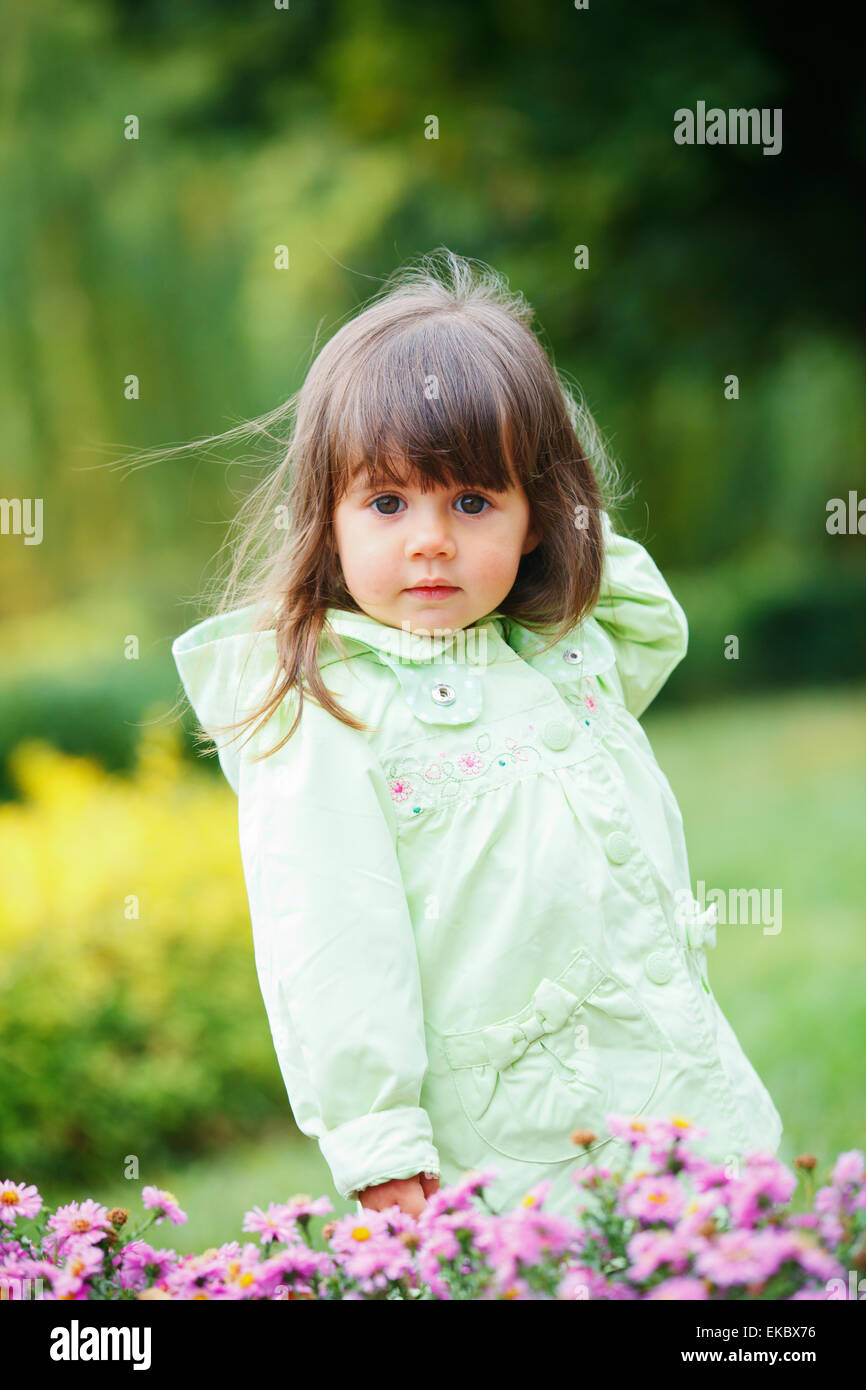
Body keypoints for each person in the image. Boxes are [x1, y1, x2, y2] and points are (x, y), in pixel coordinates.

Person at [171, 249, 782, 1221]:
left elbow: (647, 619)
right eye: (385, 501)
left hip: (674, 1092)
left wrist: (553, 483)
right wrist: (375, 1137)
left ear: (536, 513)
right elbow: (328, 936)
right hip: (511, 1147)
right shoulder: (331, 710)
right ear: (324, 521)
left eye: (471, 500)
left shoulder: (559, 652)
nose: (429, 540)